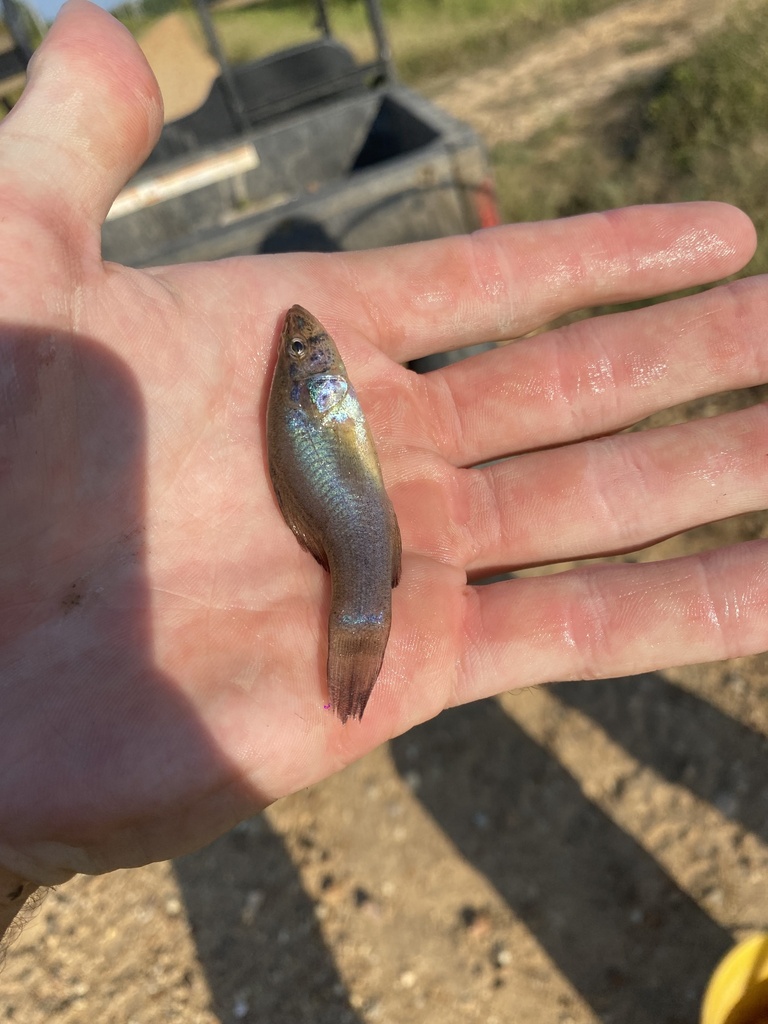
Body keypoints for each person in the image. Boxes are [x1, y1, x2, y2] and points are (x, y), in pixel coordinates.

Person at [1, 0, 767, 950]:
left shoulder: (313, 397)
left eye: (306, 347)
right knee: (370, 576)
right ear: (315, 377)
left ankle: (359, 619)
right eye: (308, 349)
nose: (311, 348)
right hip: (345, 520)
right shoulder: (313, 396)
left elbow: (318, 448)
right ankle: (356, 625)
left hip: (346, 517)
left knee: (371, 568)